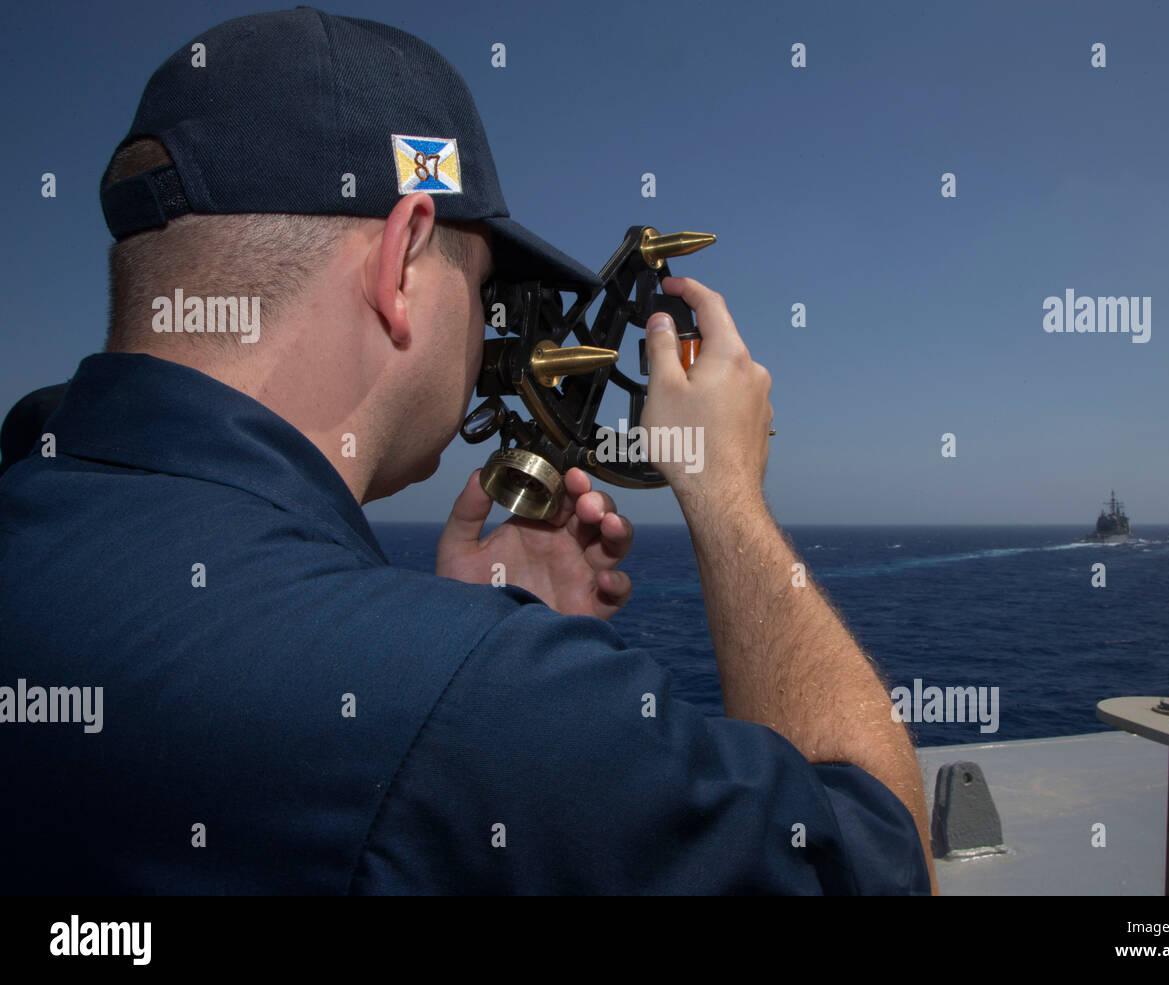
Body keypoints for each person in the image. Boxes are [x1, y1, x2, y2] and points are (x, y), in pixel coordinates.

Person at [0, 8, 935, 894]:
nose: (493, 335)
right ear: (402, 261)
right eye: (484, 287)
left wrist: (430, 631)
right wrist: (727, 495)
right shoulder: (468, 706)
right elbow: (878, 860)